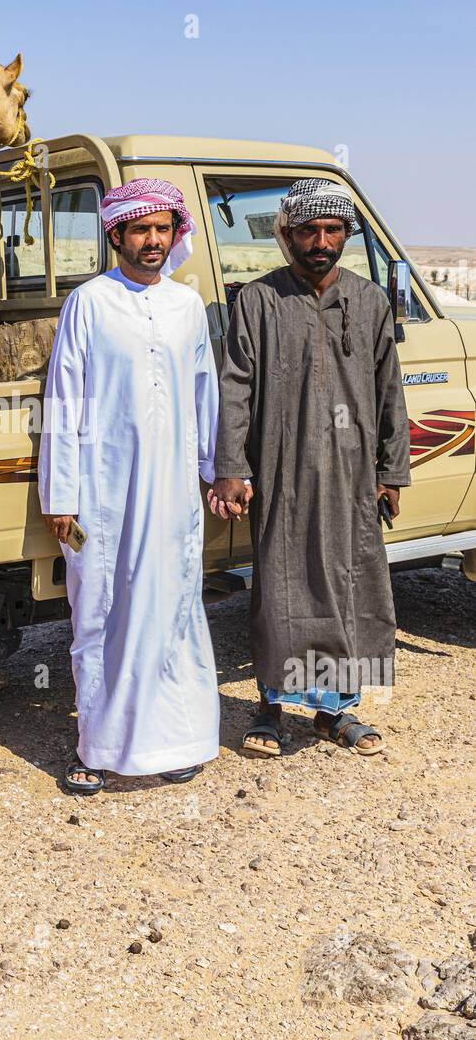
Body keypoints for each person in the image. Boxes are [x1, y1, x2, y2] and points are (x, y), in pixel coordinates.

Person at [208, 178, 411, 757]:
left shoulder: (369, 301)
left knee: (352, 585)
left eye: (332, 230)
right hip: (281, 471)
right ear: (287, 234)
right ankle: (271, 706)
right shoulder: (258, 300)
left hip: (351, 475)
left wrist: (392, 469)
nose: (320, 241)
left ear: (345, 234)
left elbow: (389, 390)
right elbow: (235, 390)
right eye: (308, 230)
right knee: (281, 589)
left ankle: (337, 712)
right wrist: (232, 468)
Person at [38, 178, 220, 794]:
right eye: (139, 229)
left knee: (171, 604)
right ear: (116, 235)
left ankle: (175, 739)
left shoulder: (186, 306)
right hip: (104, 490)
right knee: (102, 610)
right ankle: (100, 746)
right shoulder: (89, 302)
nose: (152, 241)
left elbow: (204, 394)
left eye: (162, 229)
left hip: (171, 491)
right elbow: (64, 400)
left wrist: (215, 471)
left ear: (175, 236)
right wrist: (61, 494)